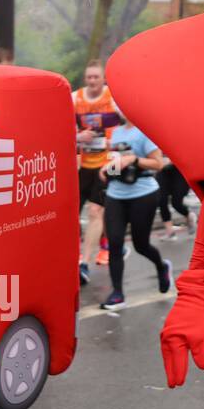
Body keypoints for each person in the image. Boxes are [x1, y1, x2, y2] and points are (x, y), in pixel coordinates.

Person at [98, 115, 172, 309]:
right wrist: (106, 169)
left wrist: (134, 159)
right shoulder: (116, 132)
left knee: (141, 245)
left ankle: (161, 266)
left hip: (143, 193)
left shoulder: (146, 130)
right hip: (116, 194)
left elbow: (159, 163)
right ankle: (117, 294)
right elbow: (115, 161)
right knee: (114, 243)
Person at [72, 62, 120, 284]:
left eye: (96, 77)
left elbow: (132, 121)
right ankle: (105, 243)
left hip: (108, 163)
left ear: (103, 78)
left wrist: (120, 146)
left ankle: (85, 262)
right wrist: (78, 138)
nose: (92, 81)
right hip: (84, 164)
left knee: (95, 211)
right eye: (89, 77)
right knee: (73, 214)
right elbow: (62, 126)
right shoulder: (75, 98)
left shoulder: (114, 97)